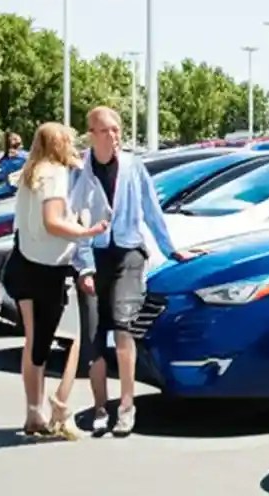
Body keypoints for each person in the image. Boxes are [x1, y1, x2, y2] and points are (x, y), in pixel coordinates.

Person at [71, 106, 186, 436]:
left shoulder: (133, 166)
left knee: (123, 327)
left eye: (117, 130)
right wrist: (84, 269)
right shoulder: (80, 170)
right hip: (92, 256)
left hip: (128, 253)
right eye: (106, 131)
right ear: (91, 135)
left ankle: (126, 405)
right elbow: (72, 219)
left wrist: (170, 248)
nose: (114, 137)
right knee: (93, 337)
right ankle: (99, 408)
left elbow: (151, 209)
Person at [2, 122, 108, 437]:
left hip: (23, 262)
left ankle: (34, 411)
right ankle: (58, 405)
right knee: (69, 335)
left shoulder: (30, 173)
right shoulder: (54, 176)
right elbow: (53, 223)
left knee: (33, 342)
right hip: (47, 268)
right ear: (59, 144)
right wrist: (86, 229)